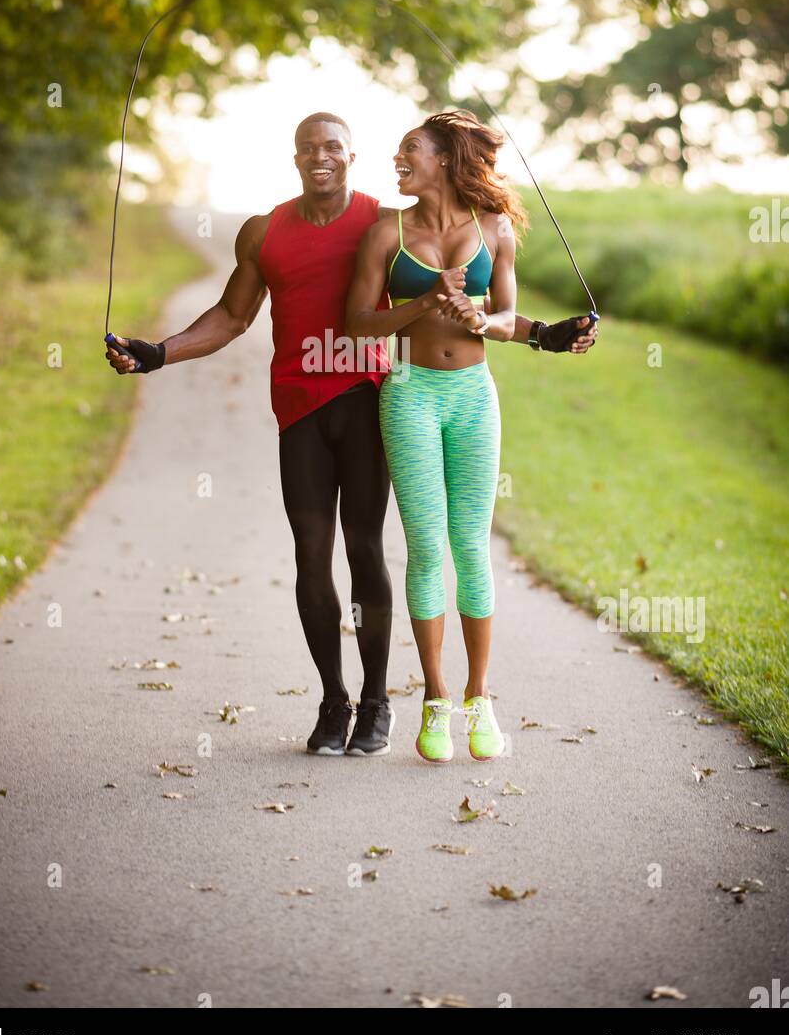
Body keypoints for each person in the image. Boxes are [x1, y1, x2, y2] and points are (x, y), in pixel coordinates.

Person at [107, 111, 597, 760]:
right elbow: (232, 316)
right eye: (308, 147)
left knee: (368, 547)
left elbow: (475, 297)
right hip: (303, 407)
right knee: (313, 551)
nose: (321, 156)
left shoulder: (382, 219)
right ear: (294, 157)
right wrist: (156, 353)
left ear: (351, 155)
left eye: (333, 146)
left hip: (369, 399)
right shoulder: (271, 232)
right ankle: (335, 700)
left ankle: (377, 705)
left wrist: (545, 334)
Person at [344, 109, 598, 764]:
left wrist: (494, 319)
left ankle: (479, 698)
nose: (398, 160)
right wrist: (429, 303)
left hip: (473, 398)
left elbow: (509, 317)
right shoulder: (384, 232)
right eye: (399, 151)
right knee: (427, 549)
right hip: (410, 394)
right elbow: (357, 324)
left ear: (447, 159)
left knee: (471, 545)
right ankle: (435, 701)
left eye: (411, 150)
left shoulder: (495, 230)